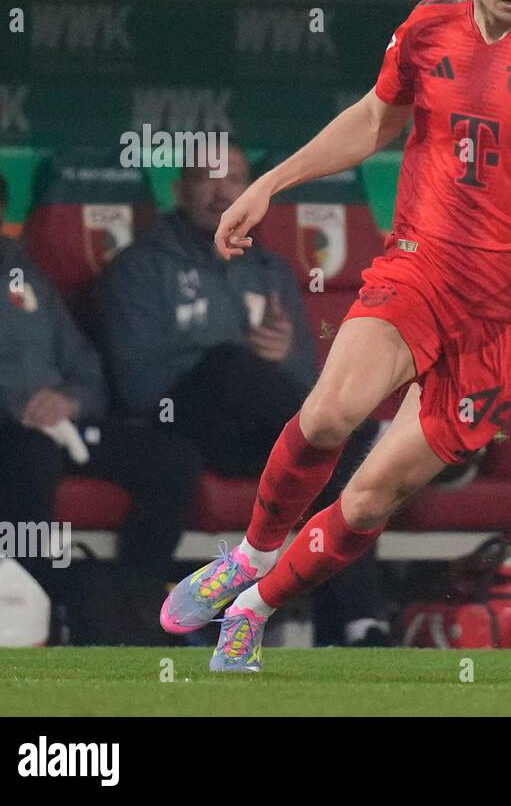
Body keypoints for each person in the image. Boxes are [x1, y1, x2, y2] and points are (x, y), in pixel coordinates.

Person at [159, 0, 511, 672]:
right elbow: (377, 119)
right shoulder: (428, 25)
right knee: (327, 415)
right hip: (422, 264)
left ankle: (255, 606)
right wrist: (269, 183)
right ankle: (244, 556)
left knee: (376, 494)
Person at [98, 143, 387, 646]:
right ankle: (373, 435)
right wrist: (234, 366)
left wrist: (277, 362)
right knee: (234, 366)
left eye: (235, 178)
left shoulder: (269, 270)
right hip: (171, 424)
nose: (223, 190)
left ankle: (362, 626)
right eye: (208, 177)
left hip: (249, 435)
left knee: (333, 457)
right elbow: (136, 384)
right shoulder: (140, 266)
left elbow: (302, 384)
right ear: (179, 189)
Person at [0, 141, 199, 588]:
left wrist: (70, 401)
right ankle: (26, 611)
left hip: (64, 427)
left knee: (173, 459)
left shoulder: (27, 274)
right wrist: (17, 406)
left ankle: (133, 603)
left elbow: (87, 369)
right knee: (27, 452)